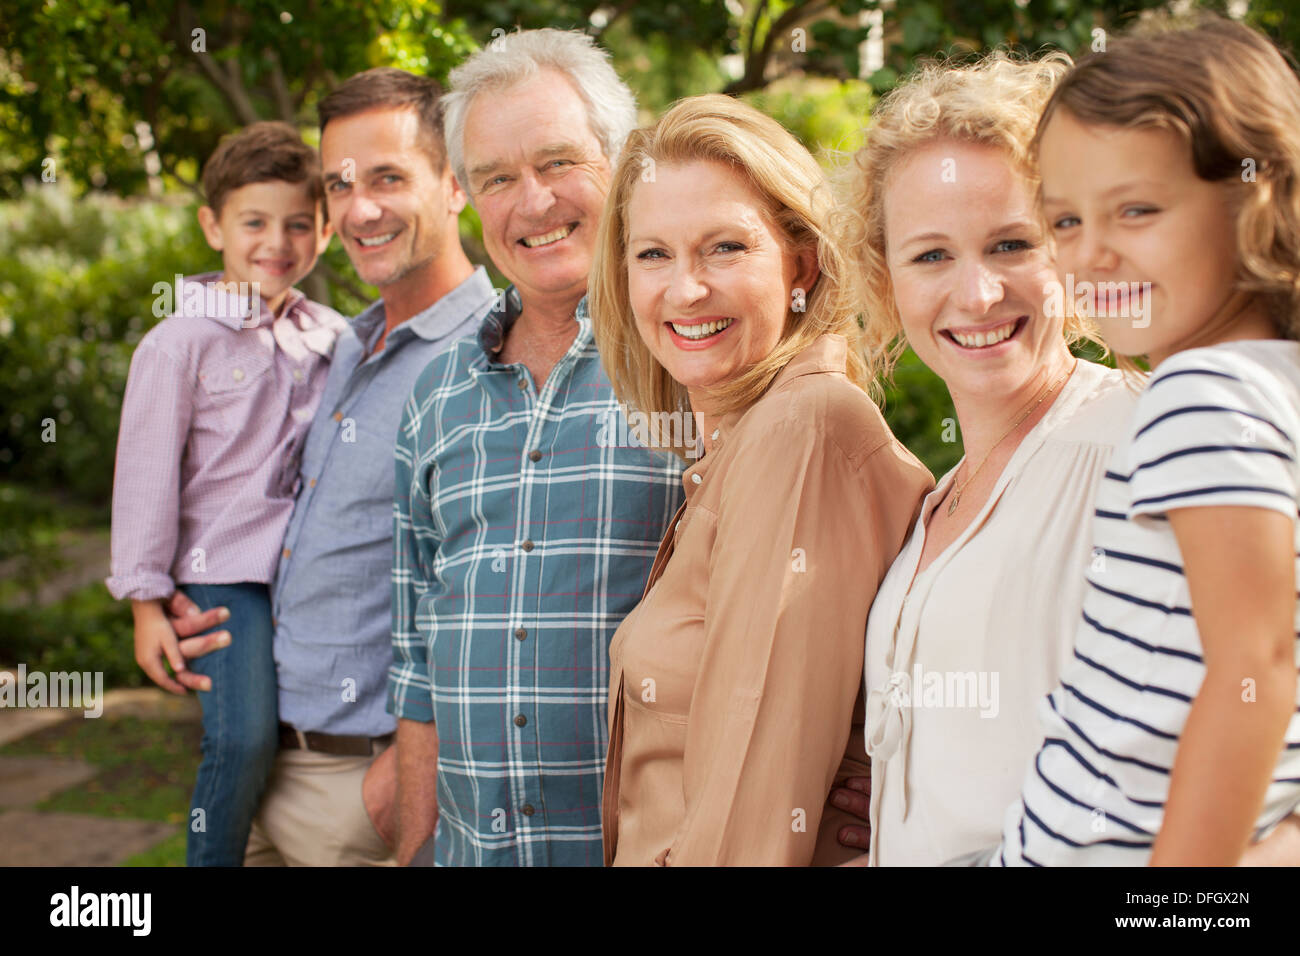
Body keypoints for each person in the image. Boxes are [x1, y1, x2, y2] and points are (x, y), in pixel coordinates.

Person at [165, 67, 497, 866]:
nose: (359, 209)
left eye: (389, 177)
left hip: (361, 793)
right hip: (256, 769)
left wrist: (408, 775)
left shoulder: (491, 354)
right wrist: (197, 592)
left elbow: (492, 595)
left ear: (455, 184)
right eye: (340, 184)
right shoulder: (337, 345)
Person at [588, 94, 932, 866]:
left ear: (801, 265)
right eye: (653, 254)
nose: (685, 289)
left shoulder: (800, 431)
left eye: (725, 248)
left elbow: (751, 793)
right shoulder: (740, 445)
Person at [988, 14, 1300, 866]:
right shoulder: (1276, 383)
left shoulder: (1202, 396)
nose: (1093, 253)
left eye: (1137, 209)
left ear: (1253, 195)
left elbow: (1258, 669)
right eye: (1062, 222)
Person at [828, 52, 1140, 866]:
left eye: (1011, 244)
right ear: (884, 276)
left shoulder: (1134, 447)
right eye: (932, 256)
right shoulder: (937, 500)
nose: (977, 295)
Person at [388, 28, 683, 867]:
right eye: (498, 178)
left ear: (623, 161)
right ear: (466, 196)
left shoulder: (688, 355)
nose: (533, 202)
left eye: (559, 163)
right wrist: (416, 842)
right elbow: (416, 650)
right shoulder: (435, 395)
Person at [107, 121, 345, 866]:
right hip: (224, 579)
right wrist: (148, 605)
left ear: (326, 232)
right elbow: (145, 478)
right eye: (254, 222)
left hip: (306, 573)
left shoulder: (333, 338)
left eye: (298, 224)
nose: (277, 241)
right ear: (213, 226)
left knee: (299, 740)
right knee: (240, 738)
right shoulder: (178, 343)